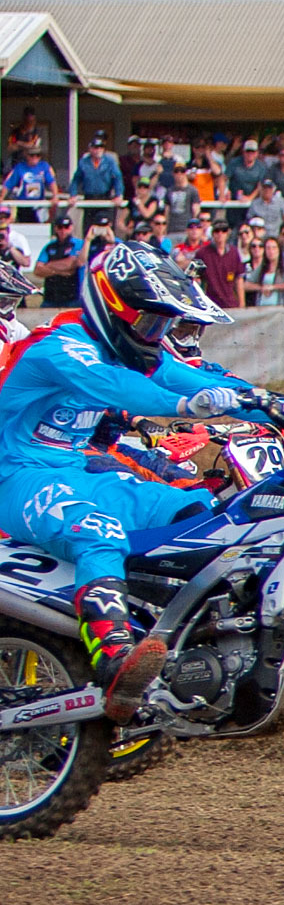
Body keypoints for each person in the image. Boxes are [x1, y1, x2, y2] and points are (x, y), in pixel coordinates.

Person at [0, 243, 246, 719]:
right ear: (113, 307)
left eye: (163, 325)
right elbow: (118, 388)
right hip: (19, 479)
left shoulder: (126, 347)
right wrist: (184, 407)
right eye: (150, 322)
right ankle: (113, 657)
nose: (156, 335)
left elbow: (187, 376)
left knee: (194, 511)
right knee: (99, 531)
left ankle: (183, 642)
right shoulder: (58, 346)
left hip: (78, 472)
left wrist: (282, 406)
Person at [33, 214, 85, 308]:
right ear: (56, 228)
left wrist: (48, 266)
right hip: (51, 297)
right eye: (60, 227)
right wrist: (59, 270)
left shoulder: (78, 244)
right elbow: (37, 270)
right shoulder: (50, 246)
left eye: (66, 227)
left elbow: (71, 264)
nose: (63, 231)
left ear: (71, 227)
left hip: (72, 297)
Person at [0, 258, 38, 342]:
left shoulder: (12, 326)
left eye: (11, 303)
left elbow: (32, 344)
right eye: (3, 303)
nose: (8, 308)